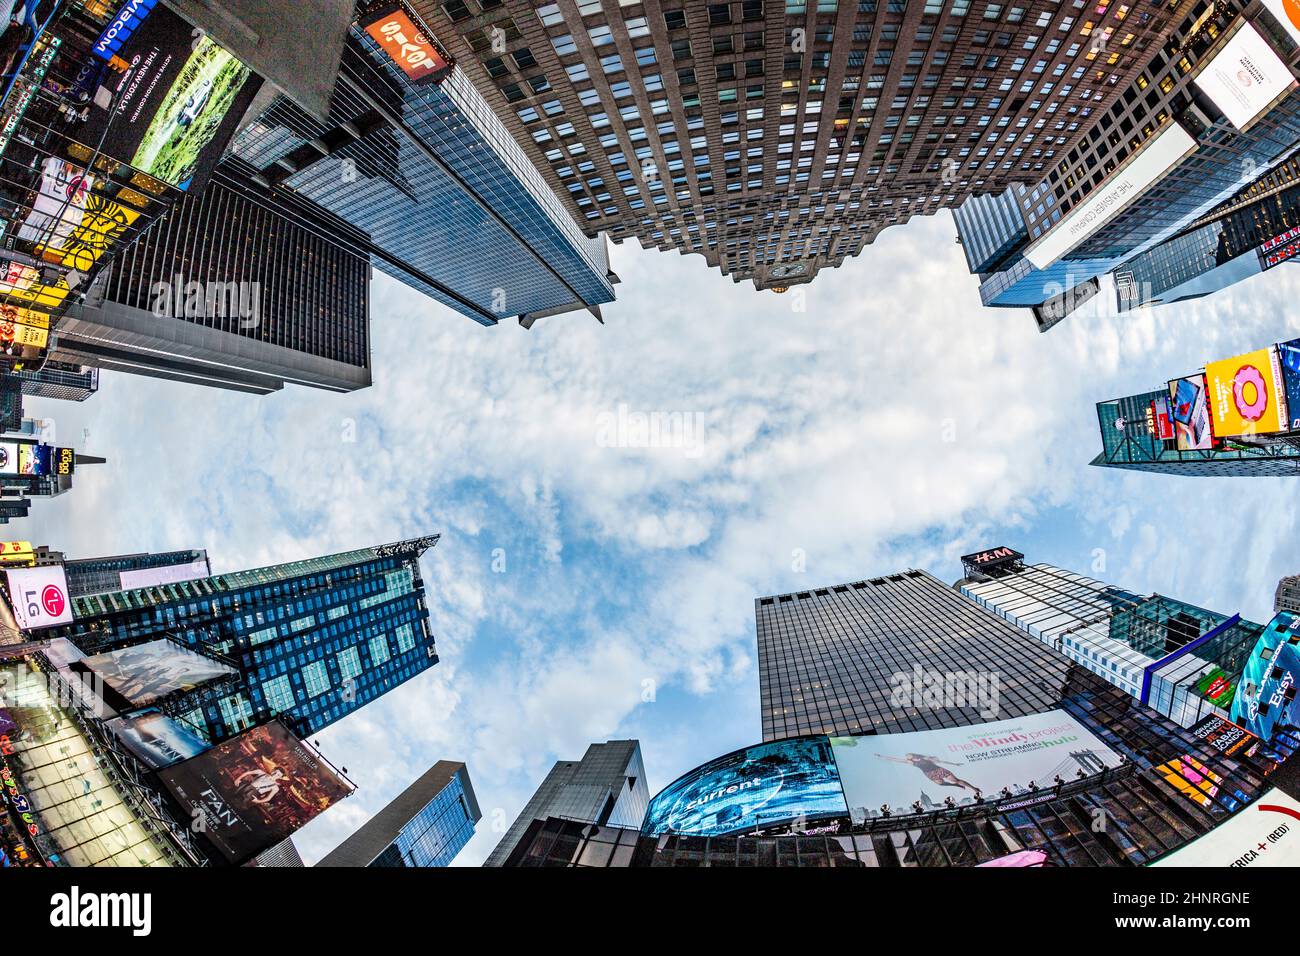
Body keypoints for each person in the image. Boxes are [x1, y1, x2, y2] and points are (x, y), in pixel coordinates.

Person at [875, 752, 979, 793]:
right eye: (907, 757)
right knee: (941, 784)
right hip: (930, 774)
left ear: (913, 756)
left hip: (938, 770)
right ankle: (957, 786)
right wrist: (882, 757)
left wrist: (955, 764)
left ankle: (974, 788)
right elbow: (896, 759)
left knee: (956, 780)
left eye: (909, 756)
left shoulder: (923, 758)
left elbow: (940, 761)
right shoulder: (910, 763)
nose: (907, 758)